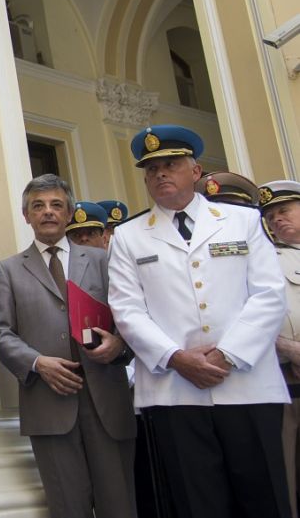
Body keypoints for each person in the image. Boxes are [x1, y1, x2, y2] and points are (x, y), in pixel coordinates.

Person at [108, 124, 290, 518]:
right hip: (176, 389)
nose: (159, 174)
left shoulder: (241, 221)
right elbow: (127, 309)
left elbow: (268, 295)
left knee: (263, 496)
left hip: (247, 384)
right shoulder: (129, 235)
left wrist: (227, 354)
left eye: (170, 164)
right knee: (196, 502)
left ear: (195, 171)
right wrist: (176, 357)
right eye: (151, 169)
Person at [0, 174, 136, 518]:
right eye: (38, 206)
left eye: (56, 205)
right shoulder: (9, 270)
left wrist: (119, 344)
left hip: (107, 400)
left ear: (69, 213)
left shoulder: (104, 261)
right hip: (48, 400)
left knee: (120, 504)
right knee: (68, 506)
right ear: (26, 216)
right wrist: (38, 363)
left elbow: (132, 316)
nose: (48, 212)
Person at [260, 180, 300, 518]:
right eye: (270, 217)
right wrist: (289, 349)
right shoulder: (266, 260)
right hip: (289, 382)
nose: (277, 221)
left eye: (283, 211)